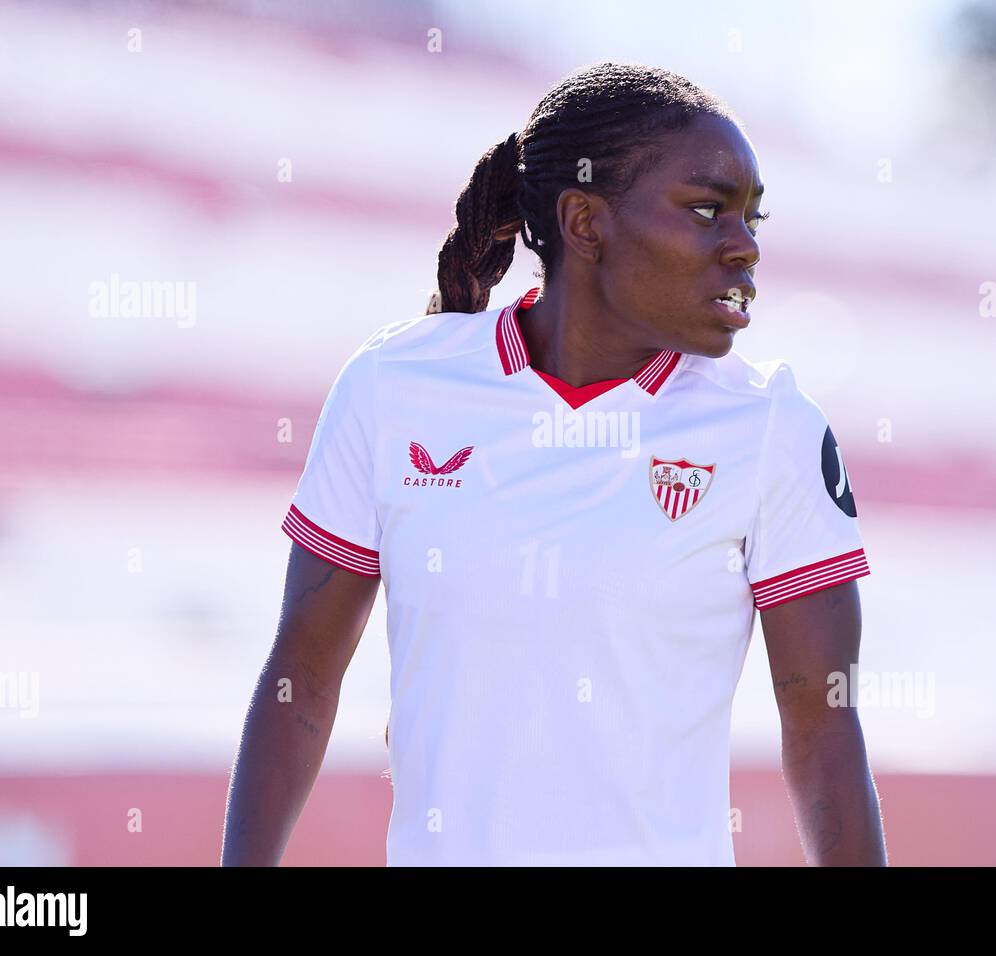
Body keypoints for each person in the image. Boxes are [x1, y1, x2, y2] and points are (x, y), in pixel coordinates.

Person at [222, 61, 887, 866]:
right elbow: (302, 675)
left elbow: (822, 729)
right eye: (708, 210)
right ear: (585, 223)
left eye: (752, 218)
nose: (745, 248)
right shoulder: (393, 386)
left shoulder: (771, 425)